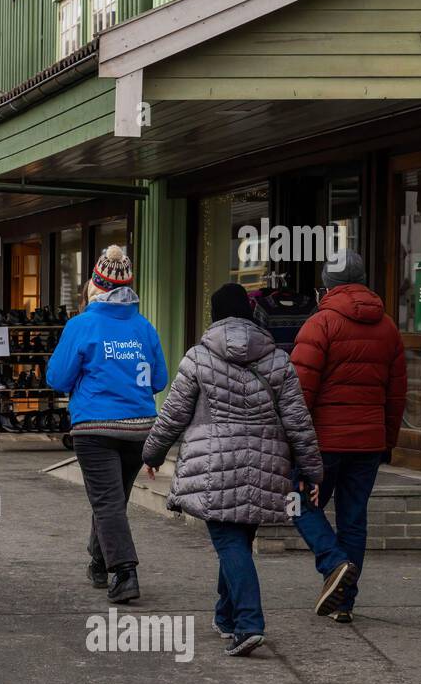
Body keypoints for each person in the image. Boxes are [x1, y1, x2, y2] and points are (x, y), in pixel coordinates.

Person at [143, 283, 325, 657]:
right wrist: (311, 471)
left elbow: (173, 413)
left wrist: (153, 453)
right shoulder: (277, 360)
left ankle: (249, 623)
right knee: (238, 541)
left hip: (212, 466)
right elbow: (297, 421)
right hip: (265, 465)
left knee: (229, 543)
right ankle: (226, 617)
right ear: (250, 313)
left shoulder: (198, 358)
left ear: (214, 315)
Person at [46, 245, 168, 605]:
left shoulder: (81, 325)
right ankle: (99, 561)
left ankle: (125, 572)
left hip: (95, 427)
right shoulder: (145, 327)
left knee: (108, 502)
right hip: (140, 427)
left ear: (95, 286)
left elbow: (57, 377)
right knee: (115, 500)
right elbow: (159, 380)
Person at [290, 251, 406, 623]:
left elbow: (300, 392)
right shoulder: (388, 327)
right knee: (353, 519)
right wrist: (387, 440)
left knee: (297, 502)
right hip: (368, 442)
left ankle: (333, 562)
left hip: (324, 444)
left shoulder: (320, 324)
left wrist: (293, 442)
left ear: (327, 286)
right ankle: (344, 602)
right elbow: (396, 393)